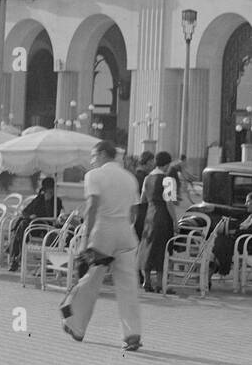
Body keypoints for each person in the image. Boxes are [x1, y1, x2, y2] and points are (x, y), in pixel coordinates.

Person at [60, 140, 142, 351]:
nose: (92, 160)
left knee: (89, 282)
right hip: (125, 234)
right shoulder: (130, 178)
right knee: (128, 286)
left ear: (104, 154)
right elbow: (134, 212)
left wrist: (86, 241)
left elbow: (92, 207)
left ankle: (75, 324)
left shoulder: (94, 176)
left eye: (94, 156)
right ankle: (132, 334)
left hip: (103, 235)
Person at [8, 176, 67, 270]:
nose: (49, 191)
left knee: (22, 226)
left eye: (51, 189)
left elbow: (53, 216)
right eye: (48, 189)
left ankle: (16, 256)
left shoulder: (57, 201)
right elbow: (25, 211)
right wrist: (31, 216)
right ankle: (16, 257)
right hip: (33, 225)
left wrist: (48, 203)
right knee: (21, 224)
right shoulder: (39, 198)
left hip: (45, 227)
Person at [136, 151, 175, 293]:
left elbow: (142, 199)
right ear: (167, 164)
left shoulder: (147, 178)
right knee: (161, 249)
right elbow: (169, 203)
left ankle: (147, 280)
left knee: (147, 247)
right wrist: (175, 221)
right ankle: (159, 283)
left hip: (149, 216)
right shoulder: (168, 180)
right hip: (163, 216)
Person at [209, 192, 252, 279]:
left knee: (220, 243)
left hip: (249, 245)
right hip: (236, 242)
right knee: (221, 242)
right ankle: (213, 274)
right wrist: (214, 208)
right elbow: (229, 212)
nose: (246, 204)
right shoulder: (246, 214)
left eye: (248, 202)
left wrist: (235, 232)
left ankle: (212, 273)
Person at [132, 152, 155, 238]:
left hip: (134, 211)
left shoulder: (134, 175)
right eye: (152, 161)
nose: (154, 164)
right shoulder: (146, 177)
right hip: (143, 212)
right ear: (148, 162)